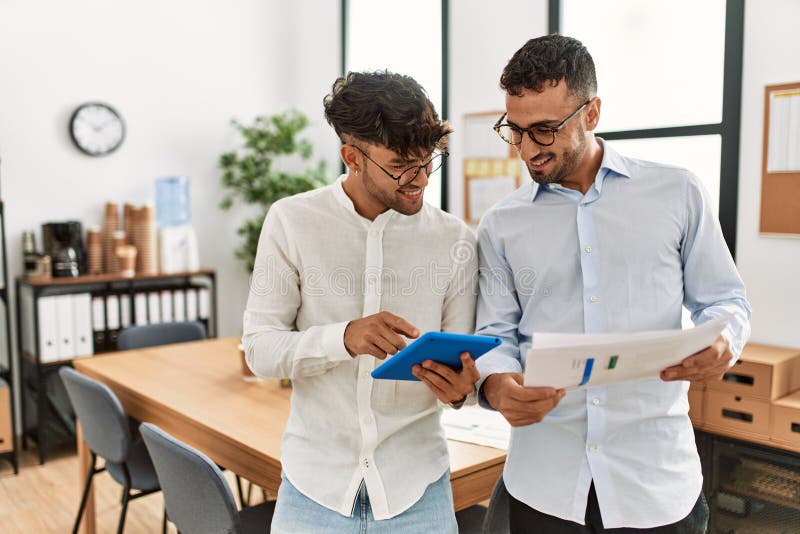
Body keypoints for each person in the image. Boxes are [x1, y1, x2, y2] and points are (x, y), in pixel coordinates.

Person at [475, 35, 751, 533]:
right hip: (544, 485)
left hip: (655, 482)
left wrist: (724, 339)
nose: (525, 149)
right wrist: (496, 383)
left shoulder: (677, 191)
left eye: (544, 130)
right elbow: (496, 334)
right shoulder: (500, 224)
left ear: (592, 112)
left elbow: (725, 299)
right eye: (514, 131)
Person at [242, 70, 479, 533]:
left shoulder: (456, 241)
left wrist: (462, 391)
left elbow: (462, 366)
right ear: (352, 156)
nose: (420, 178)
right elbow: (259, 351)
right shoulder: (291, 222)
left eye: (428, 160)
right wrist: (343, 339)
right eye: (400, 165)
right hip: (314, 485)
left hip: (419, 487)